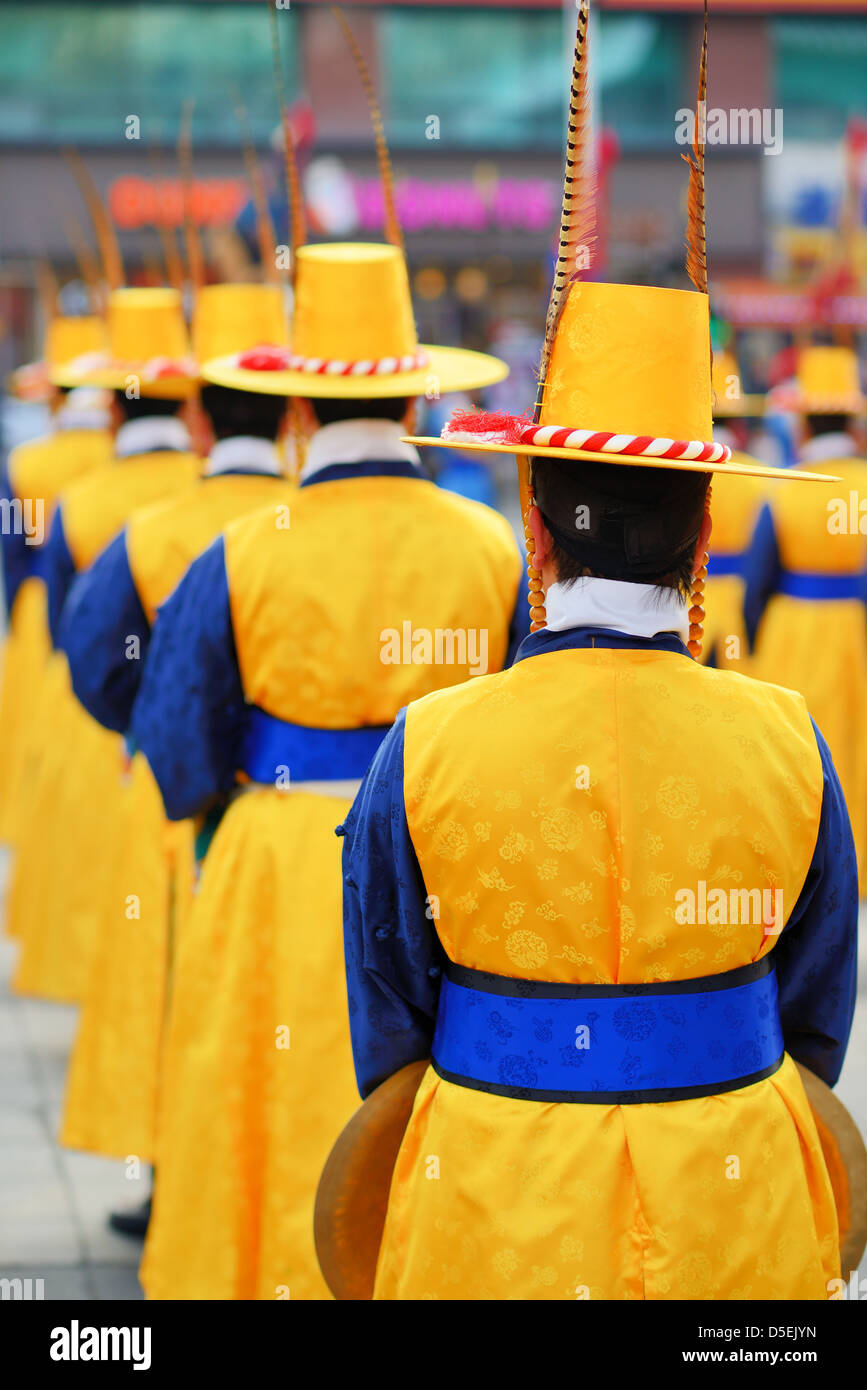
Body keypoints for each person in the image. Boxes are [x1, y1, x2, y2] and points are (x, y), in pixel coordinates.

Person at [337, 4, 857, 1301]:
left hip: (491, 1181)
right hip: (726, 1177)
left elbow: (387, 1000)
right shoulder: (785, 736)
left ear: (533, 529)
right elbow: (814, 993)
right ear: (706, 528)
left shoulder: (429, 742)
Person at [128, 233, 526, 1300]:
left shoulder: (246, 546)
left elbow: (175, 752)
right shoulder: (493, 545)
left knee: (267, 1093)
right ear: (413, 406)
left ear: (299, 411)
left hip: (275, 858)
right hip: (449, 866)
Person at [53, 287, 295, 1238]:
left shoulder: (152, 531)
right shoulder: (454, 537)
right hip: (344, 816)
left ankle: (178, 1185)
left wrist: (162, 744)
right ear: (294, 411)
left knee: (180, 997)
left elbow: (90, 654)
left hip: (187, 805)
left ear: (200, 410)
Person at [7, 288, 200, 1002]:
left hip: (98, 706)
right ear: (189, 408)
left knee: (95, 853)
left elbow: (57, 608)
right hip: (230, 749)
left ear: (113, 407)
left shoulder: (71, 489)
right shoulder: (213, 495)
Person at [744, 344, 867, 886]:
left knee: (803, 750)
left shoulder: (786, 487)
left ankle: (800, 863)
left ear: (802, 423)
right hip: (856, 634)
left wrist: (750, 639)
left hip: (796, 632)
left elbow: (758, 581)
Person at [0, 314, 111, 849]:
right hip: (112, 612)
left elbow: (14, 550)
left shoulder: (24, 462)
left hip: (39, 600)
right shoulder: (113, 460)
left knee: (33, 728)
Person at [700, 345, 773, 674]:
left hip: (692, 600)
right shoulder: (762, 478)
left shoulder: (685, 476)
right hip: (742, 600)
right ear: (740, 421)